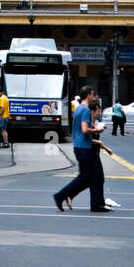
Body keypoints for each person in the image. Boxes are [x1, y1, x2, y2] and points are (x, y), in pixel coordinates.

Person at [53, 85, 111, 213]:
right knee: (85, 177)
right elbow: (85, 129)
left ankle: (96, 204)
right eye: (92, 94)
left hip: (81, 147)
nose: (94, 97)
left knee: (93, 177)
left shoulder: (78, 109)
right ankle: (61, 195)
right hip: (84, 148)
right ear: (89, 95)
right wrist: (97, 130)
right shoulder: (84, 110)